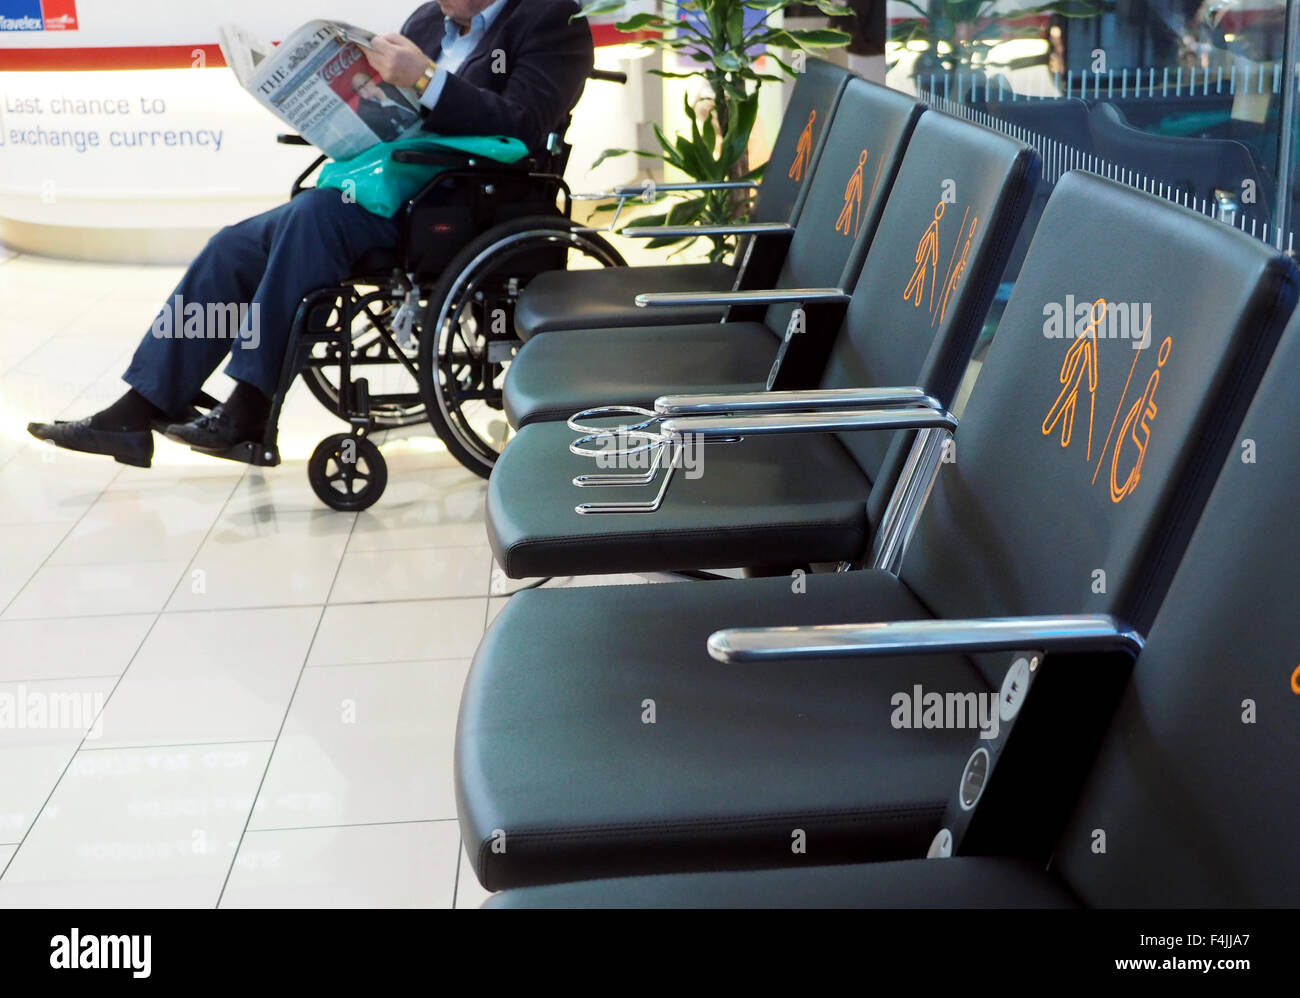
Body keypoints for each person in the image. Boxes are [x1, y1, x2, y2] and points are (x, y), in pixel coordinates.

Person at [29, 0, 594, 468]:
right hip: (382, 188)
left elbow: (524, 123)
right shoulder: (426, 22)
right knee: (234, 244)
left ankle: (249, 407)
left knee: (312, 220)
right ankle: (139, 407)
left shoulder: (550, 19)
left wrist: (425, 78)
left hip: (466, 204)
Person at [351, 71, 421, 142]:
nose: (365, 88)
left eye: (366, 82)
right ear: (358, 93)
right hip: (405, 136)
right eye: (360, 87)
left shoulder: (387, 85)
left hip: (419, 117)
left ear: (372, 80)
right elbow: (390, 130)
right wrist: (383, 99)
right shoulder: (363, 112)